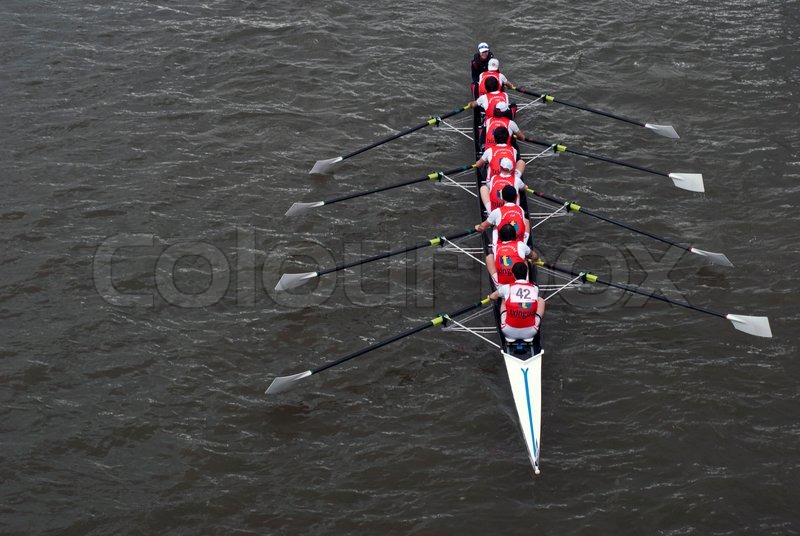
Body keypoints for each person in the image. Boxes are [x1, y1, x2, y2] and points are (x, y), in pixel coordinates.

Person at [488, 261, 546, 341]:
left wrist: (490, 297)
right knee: (541, 300)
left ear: (513, 274)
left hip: (508, 331)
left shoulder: (507, 287)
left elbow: (493, 296)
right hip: (531, 333)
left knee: (504, 299)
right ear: (527, 274)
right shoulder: (535, 288)